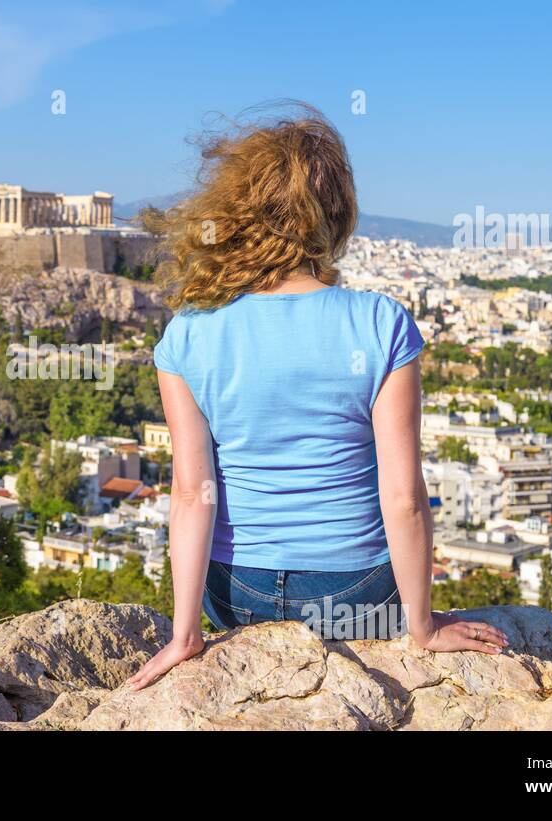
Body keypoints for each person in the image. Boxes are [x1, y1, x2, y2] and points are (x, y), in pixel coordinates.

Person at [128, 104, 509, 691]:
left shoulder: (190, 331)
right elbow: (403, 495)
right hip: (357, 594)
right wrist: (423, 626)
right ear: (339, 212)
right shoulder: (381, 323)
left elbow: (190, 491)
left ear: (240, 212)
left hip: (236, 593)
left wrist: (185, 636)